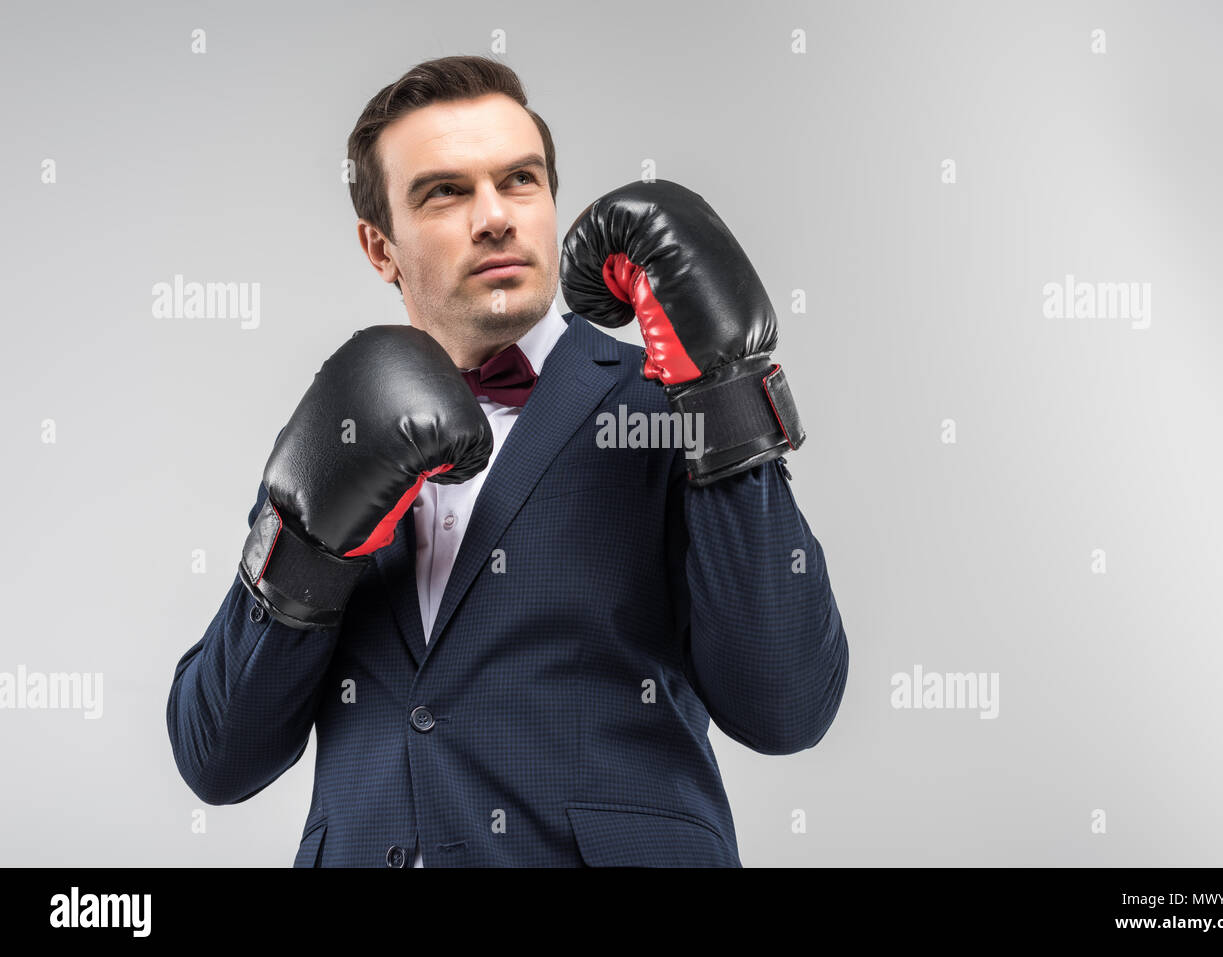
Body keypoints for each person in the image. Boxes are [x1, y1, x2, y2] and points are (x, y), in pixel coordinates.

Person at [166, 55, 849, 868]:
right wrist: (306, 551)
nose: (495, 216)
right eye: (445, 191)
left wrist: (728, 398)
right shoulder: (339, 428)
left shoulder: (666, 408)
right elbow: (216, 758)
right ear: (380, 248)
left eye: (520, 180)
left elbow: (789, 704)